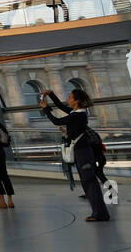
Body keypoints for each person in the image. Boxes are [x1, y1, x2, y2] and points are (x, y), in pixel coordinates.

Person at [41, 88, 109, 221]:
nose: (68, 98)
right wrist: (50, 94)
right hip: (80, 151)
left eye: (70, 97)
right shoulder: (76, 113)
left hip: (83, 152)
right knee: (88, 182)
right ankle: (99, 212)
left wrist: (45, 108)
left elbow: (56, 121)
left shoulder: (78, 115)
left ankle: (100, 214)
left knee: (89, 182)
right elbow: (60, 106)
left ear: (76, 101)